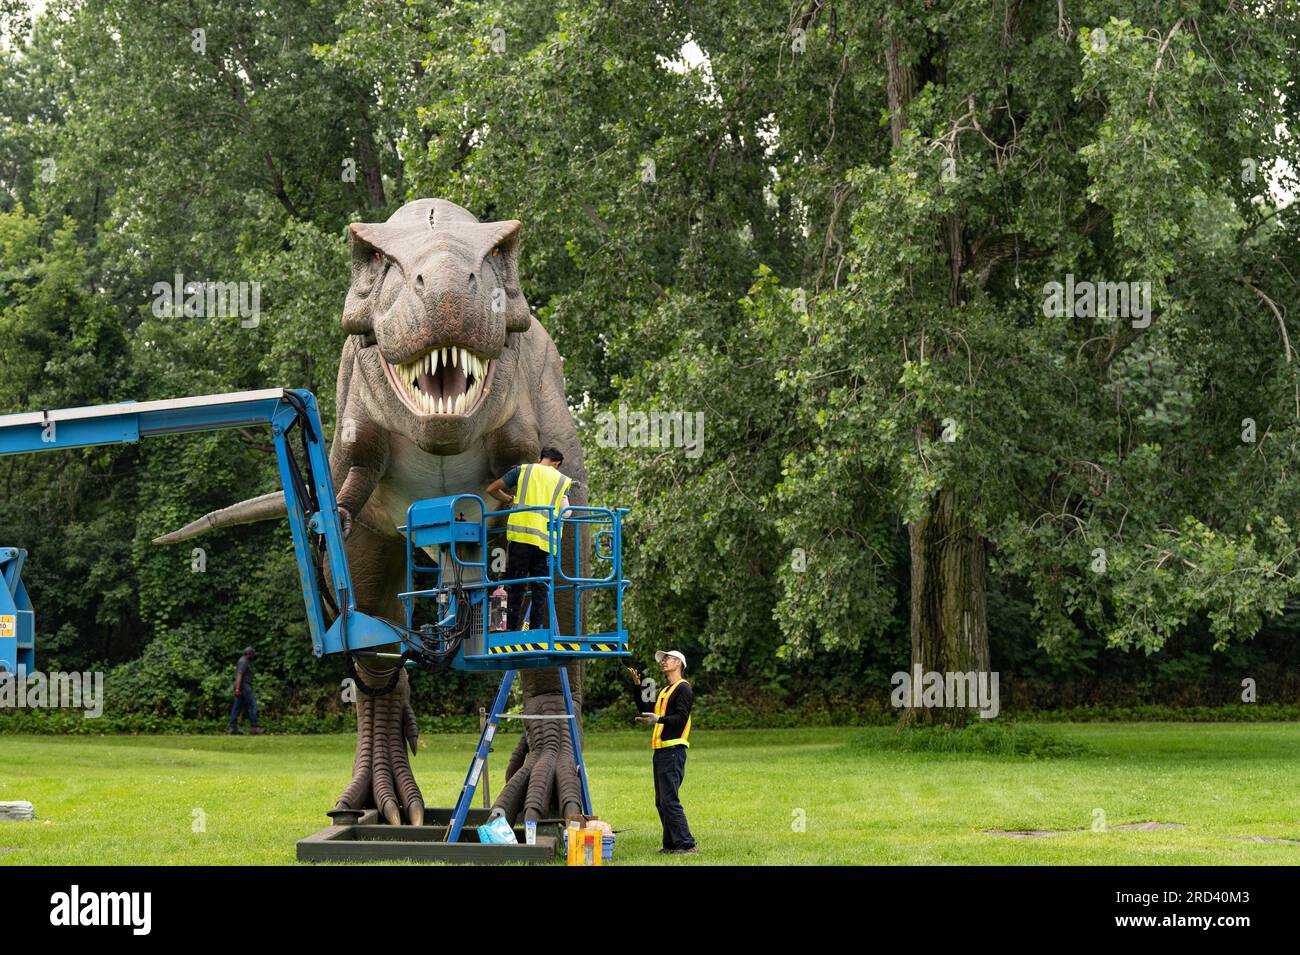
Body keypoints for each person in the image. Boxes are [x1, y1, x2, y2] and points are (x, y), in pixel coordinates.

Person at [485, 447, 571, 631]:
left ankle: (507, 629)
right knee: (541, 588)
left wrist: (510, 499)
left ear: (541, 458)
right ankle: (534, 630)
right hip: (545, 542)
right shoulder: (561, 480)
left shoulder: (523, 470)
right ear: (557, 464)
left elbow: (491, 489)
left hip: (521, 537)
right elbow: (567, 512)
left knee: (514, 584)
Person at [626, 650, 697, 855]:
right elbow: (646, 708)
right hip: (661, 752)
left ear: (679, 663)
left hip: (673, 750)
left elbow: (681, 718)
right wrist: (637, 685)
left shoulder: (683, 689)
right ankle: (671, 844)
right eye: (662, 659)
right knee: (662, 801)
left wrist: (658, 720)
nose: (663, 662)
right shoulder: (666, 690)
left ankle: (687, 845)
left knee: (669, 800)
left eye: (667, 659)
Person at [228, 646, 263, 735]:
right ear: (249, 654)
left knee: (236, 707)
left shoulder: (242, 660)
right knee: (253, 705)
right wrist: (237, 689)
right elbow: (239, 675)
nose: (253, 655)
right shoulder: (243, 662)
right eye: (252, 654)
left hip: (241, 686)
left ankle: (233, 728)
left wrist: (237, 688)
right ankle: (254, 727)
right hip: (244, 686)